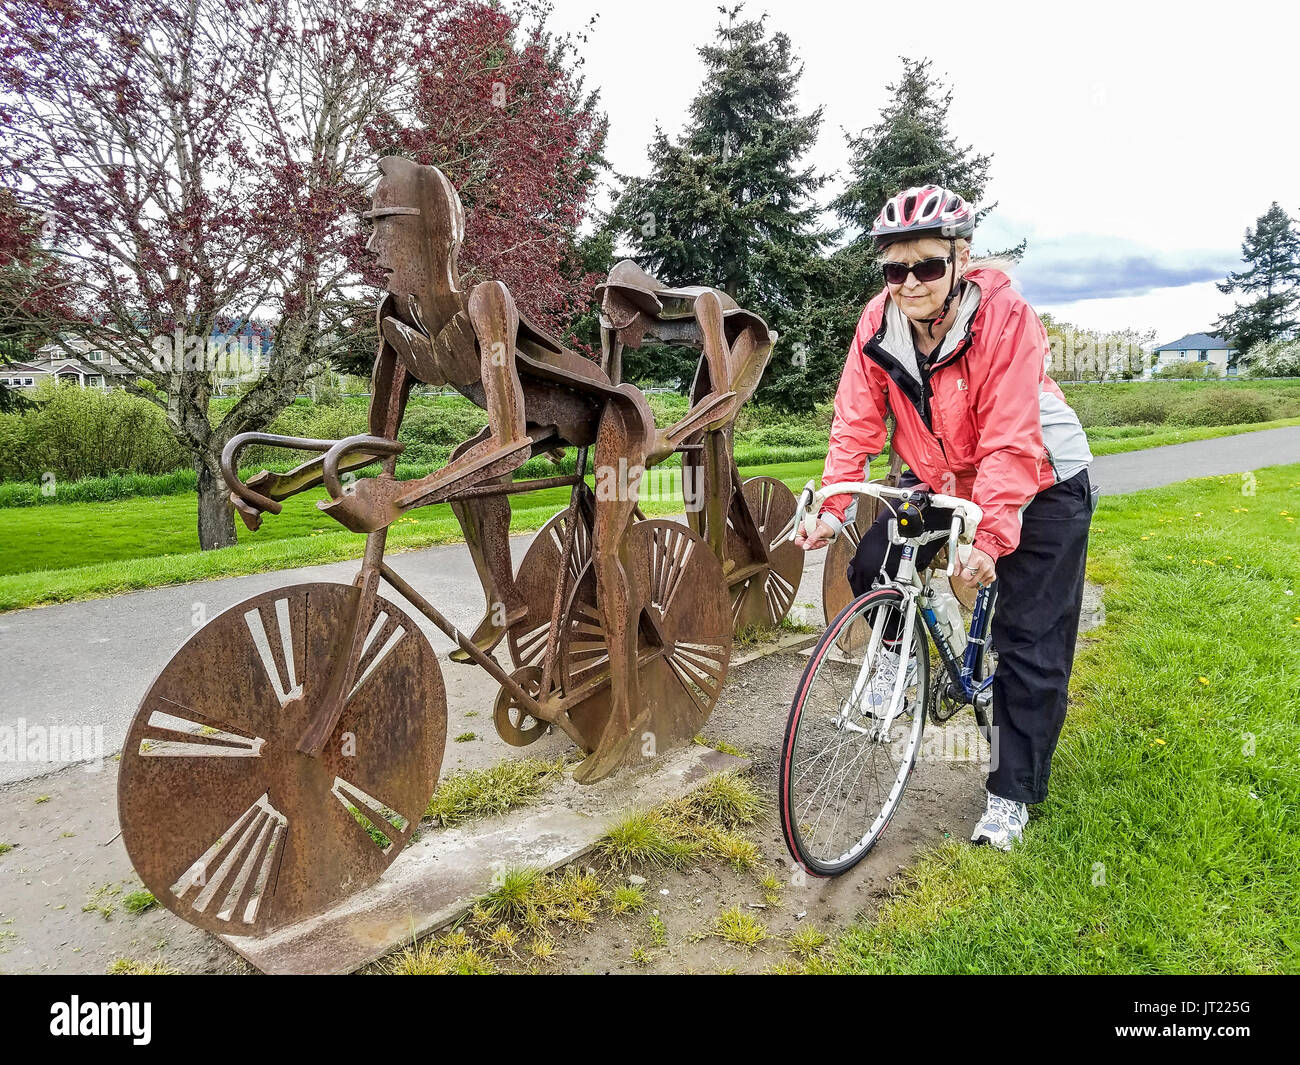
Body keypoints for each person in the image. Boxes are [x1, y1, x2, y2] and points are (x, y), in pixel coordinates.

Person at [794, 184, 1097, 850]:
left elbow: (1011, 440)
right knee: (872, 561)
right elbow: (856, 420)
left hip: (1042, 479)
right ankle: (898, 660)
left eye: (926, 265)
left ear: (960, 257)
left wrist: (989, 537)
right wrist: (834, 502)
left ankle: (1010, 795)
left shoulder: (1006, 319)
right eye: (894, 269)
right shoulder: (878, 323)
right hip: (942, 474)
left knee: (1029, 645)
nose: (909, 282)